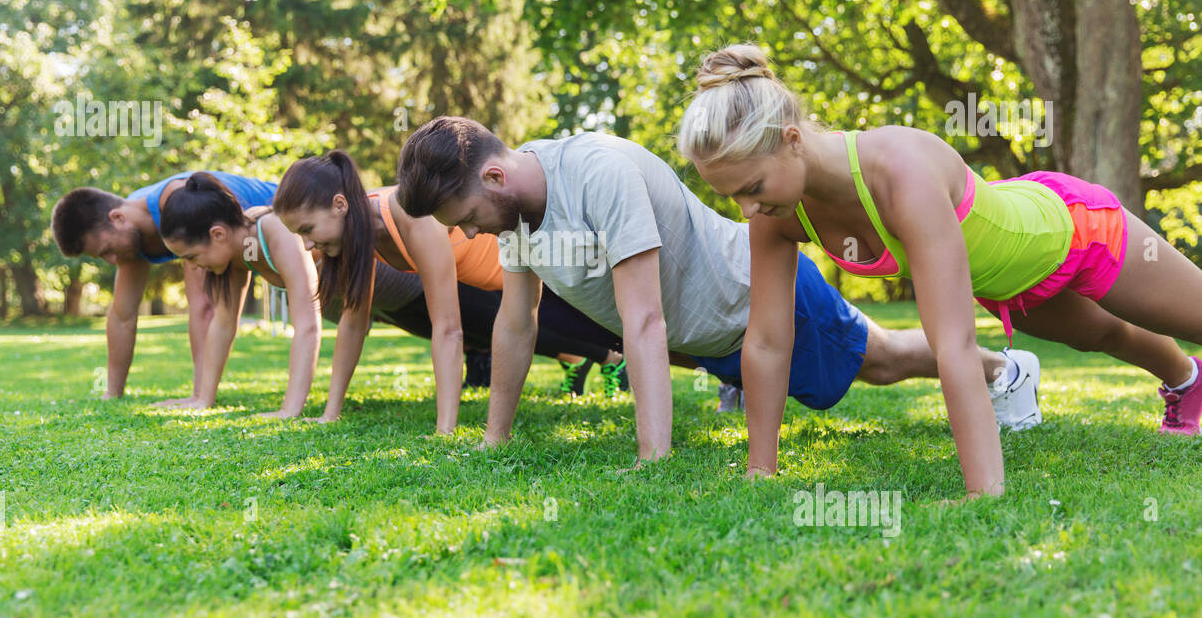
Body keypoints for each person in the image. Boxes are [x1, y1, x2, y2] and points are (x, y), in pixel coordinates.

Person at [676, 43, 1202, 497]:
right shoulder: (779, 214)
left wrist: (984, 493)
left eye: (752, 189)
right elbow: (768, 341)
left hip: (1075, 231)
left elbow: (952, 344)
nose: (745, 210)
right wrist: (759, 472)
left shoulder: (901, 171)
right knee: (1109, 335)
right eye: (732, 196)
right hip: (1013, 284)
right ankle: (1188, 383)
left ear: (791, 140)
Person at [393, 116, 1036, 468]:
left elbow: (643, 322)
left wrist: (654, 459)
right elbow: (514, 322)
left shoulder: (598, 173)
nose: (469, 233)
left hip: (755, 300)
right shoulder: (516, 212)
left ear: (496, 175)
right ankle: (738, 381)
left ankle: (1006, 371)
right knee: (871, 363)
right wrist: (494, 438)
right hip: (707, 340)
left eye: (467, 217)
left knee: (882, 361)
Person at [270, 150, 627, 433]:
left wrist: (446, 430)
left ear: (339, 205)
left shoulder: (410, 217)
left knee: (628, 331)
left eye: (307, 229)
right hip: (502, 284)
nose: (305, 245)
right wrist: (331, 413)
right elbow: (352, 324)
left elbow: (448, 328)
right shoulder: (357, 233)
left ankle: (617, 363)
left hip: (540, 275)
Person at [50, 171, 276, 403]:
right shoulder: (130, 232)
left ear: (117, 218)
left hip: (288, 219)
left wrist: (199, 398)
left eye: (106, 249)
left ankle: (203, 393)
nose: (112, 260)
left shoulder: (179, 204)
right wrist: (112, 394)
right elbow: (122, 317)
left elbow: (205, 307)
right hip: (260, 253)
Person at [157, 173, 320, 417]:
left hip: (387, 282)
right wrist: (202, 399)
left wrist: (289, 410)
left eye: (191, 257)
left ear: (218, 234)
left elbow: (308, 324)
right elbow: (222, 324)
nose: (192, 267)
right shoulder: (235, 253)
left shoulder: (274, 229)